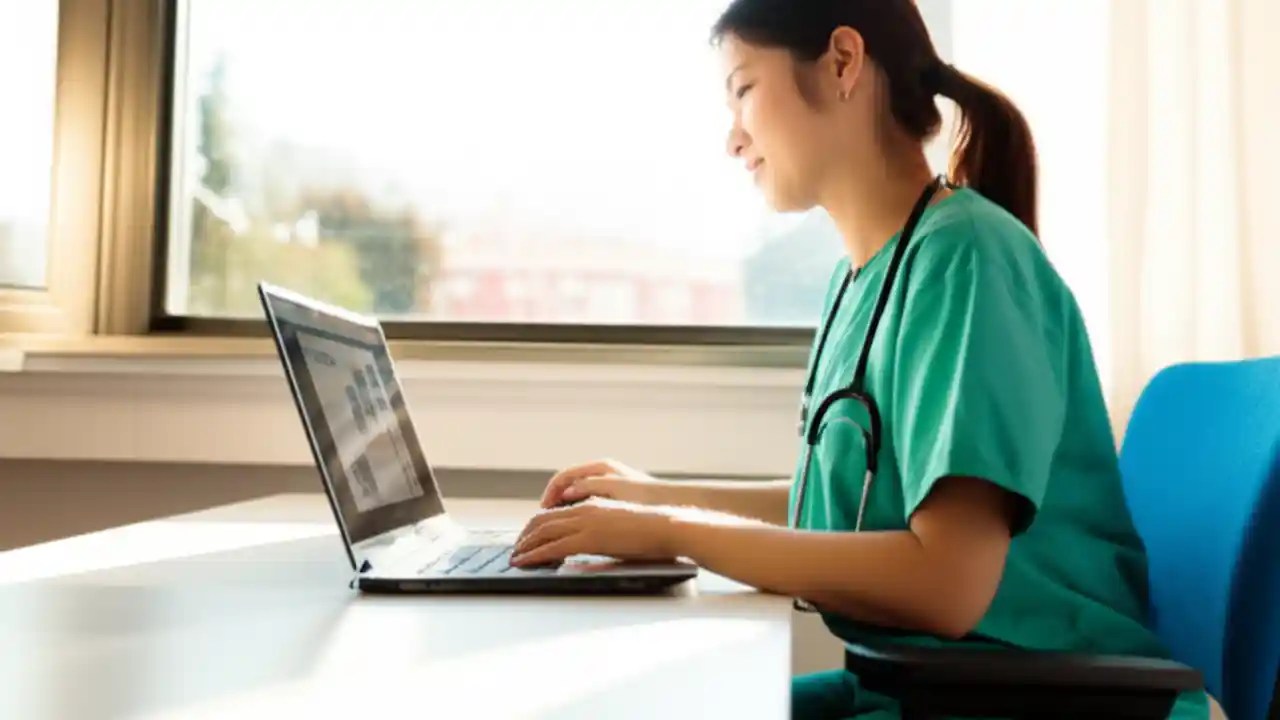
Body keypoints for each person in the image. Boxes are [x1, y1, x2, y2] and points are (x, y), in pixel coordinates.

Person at [513, 1, 1218, 718]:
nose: (733, 139)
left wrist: (672, 534)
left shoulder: (967, 260)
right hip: (925, 691)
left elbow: (947, 582)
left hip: (1035, 702)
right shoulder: (861, 276)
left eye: (744, 89)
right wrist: (652, 496)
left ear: (844, 62)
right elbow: (843, 508)